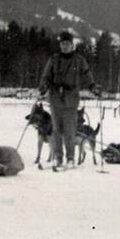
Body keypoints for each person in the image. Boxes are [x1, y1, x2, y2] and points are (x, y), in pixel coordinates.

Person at [38, 30, 100, 170]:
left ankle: (70, 159)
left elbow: (87, 75)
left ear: (72, 45)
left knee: (70, 131)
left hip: (71, 100)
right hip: (55, 99)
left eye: (68, 44)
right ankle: (58, 158)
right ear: (60, 45)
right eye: (63, 44)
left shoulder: (79, 60)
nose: (65, 46)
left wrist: (93, 86)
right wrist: (43, 86)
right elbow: (46, 76)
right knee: (57, 131)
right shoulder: (53, 60)